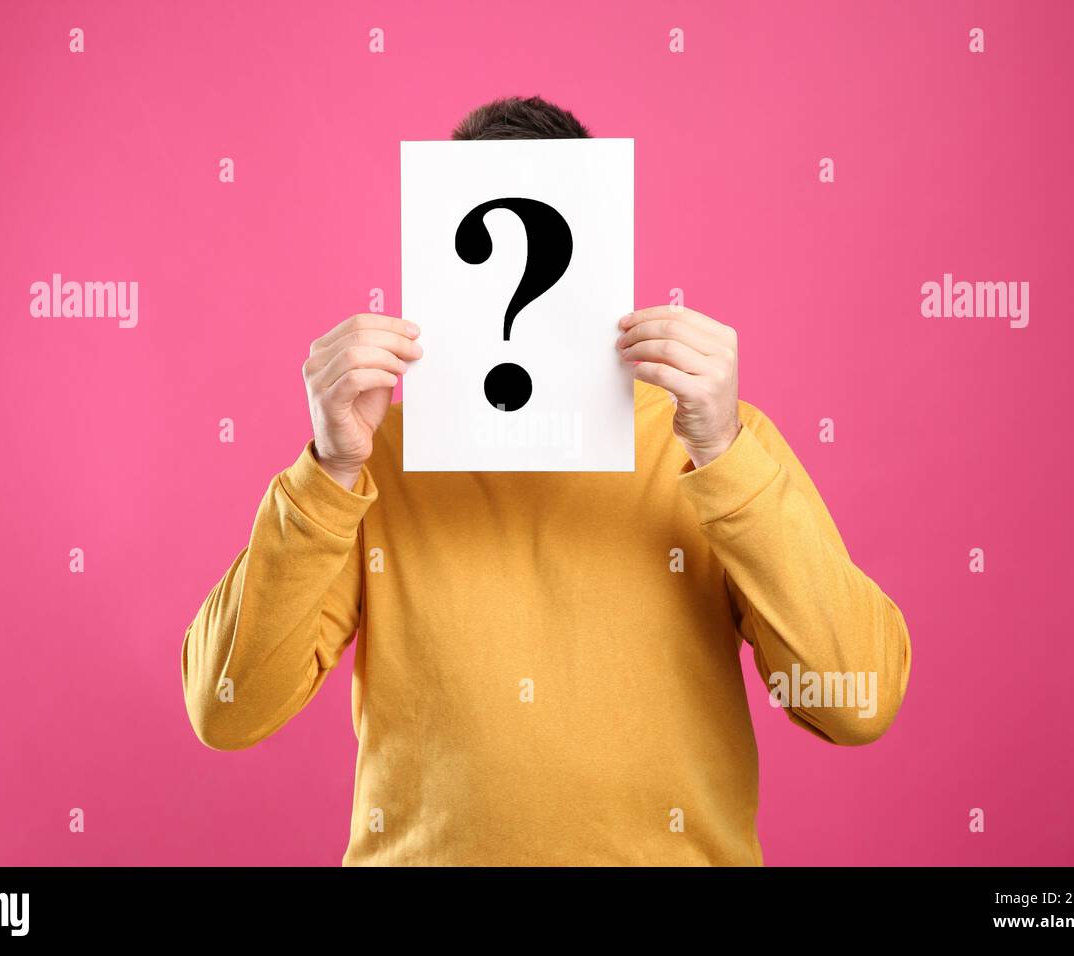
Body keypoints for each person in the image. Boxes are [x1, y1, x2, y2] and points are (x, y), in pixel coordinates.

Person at [181, 95, 912, 866]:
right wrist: (329, 468)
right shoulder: (373, 460)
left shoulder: (712, 446)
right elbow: (226, 712)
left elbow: (858, 702)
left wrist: (724, 451)